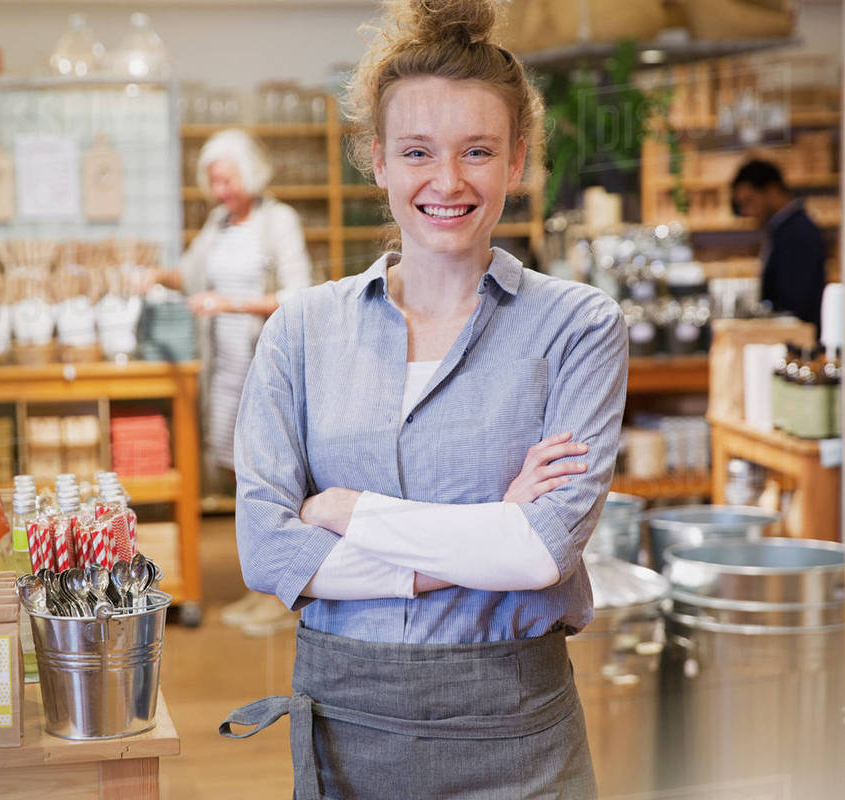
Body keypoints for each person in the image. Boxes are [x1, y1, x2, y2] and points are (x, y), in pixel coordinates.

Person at [219, 1, 627, 797]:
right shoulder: (301, 331)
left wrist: (342, 510)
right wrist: (479, 541)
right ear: (377, 160)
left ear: (517, 162)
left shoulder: (578, 327)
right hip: (349, 729)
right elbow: (267, 554)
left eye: (478, 150)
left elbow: (540, 555)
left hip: (519, 736)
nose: (448, 182)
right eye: (417, 151)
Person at [176, 128, 314, 635]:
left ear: (249, 174)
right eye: (212, 180)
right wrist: (148, 276)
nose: (219, 190)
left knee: (275, 474)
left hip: (265, 365)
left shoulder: (279, 221)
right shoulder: (218, 224)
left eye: (227, 178)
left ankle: (287, 590)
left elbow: (299, 294)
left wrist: (229, 304)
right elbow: (188, 274)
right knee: (242, 477)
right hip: (227, 368)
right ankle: (261, 584)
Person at [731, 159, 826, 327]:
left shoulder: (797, 231)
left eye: (749, 201)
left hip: (797, 337)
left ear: (772, 190)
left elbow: (797, 302)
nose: (746, 212)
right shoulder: (783, 229)